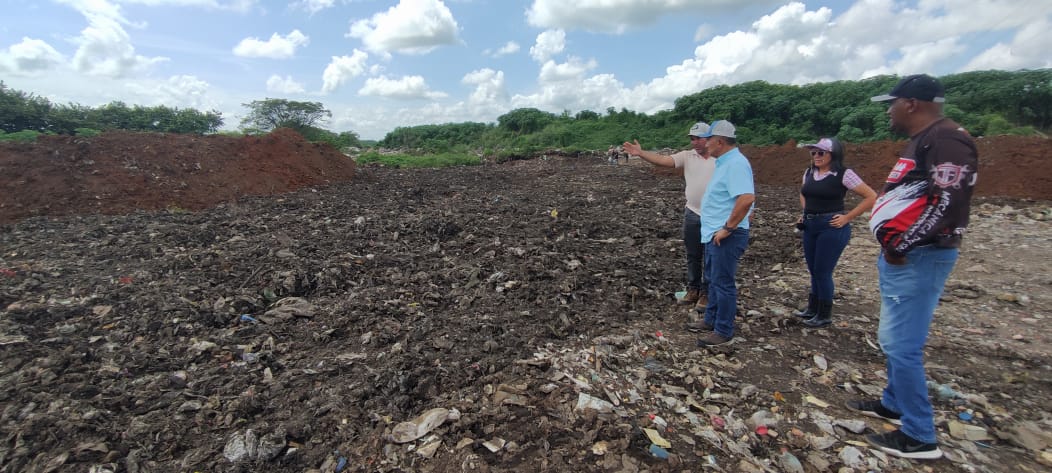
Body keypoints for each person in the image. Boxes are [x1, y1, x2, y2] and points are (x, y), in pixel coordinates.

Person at [846, 74, 978, 460]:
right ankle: (893, 402)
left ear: (912, 104)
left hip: (919, 255)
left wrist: (901, 243)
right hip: (910, 255)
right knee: (894, 338)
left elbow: (947, 202)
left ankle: (920, 435)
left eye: (892, 102)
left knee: (901, 345)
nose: (888, 110)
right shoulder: (929, 139)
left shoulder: (946, 140)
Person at [623, 122, 716, 311]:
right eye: (692, 139)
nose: (695, 142)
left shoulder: (720, 159)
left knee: (711, 256)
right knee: (693, 254)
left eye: (699, 138)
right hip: (692, 213)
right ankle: (693, 289)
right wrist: (641, 153)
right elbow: (664, 160)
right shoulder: (687, 156)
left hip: (715, 216)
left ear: (710, 138)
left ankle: (707, 293)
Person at [793, 137, 877, 328]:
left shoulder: (844, 174)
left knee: (823, 271)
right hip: (811, 225)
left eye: (821, 153)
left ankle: (824, 314)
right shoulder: (809, 172)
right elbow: (803, 193)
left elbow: (871, 196)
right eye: (813, 153)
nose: (816, 156)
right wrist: (805, 213)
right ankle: (812, 308)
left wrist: (847, 217)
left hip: (831, 226)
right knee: (813, 269)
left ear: (833, 154)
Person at [692, 120, 754, 346]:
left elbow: (746, 198)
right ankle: (710, 320)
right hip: (713, 233)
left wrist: (728, 228)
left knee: (723, 283)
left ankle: (723, 329)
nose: (705, 144)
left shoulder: (735, 163)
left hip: (725, 235)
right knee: (713, 279)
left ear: (719, 141)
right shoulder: (724, 162)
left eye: (708, 139)